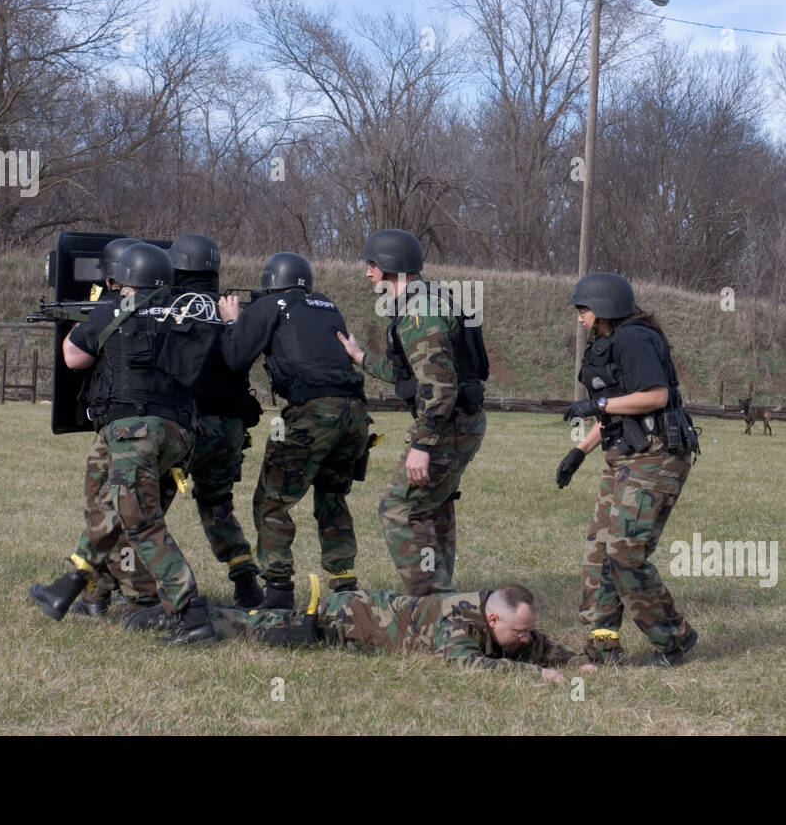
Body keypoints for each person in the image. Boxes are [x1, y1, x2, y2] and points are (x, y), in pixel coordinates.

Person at [29, 242, 218, 644]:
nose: (110, 285)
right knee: (105, 503)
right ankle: (75, 586)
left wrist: (84, 322)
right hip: (176, 434)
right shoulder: (182, 311)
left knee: (142, 522)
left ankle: (191, 613)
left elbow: (72, 358)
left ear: (125, 282)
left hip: (133, 432)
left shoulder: (113, 310)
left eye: (114, 281)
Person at [555, 272, 700, 668]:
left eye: (583, 309)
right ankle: (604, 645)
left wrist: (598, 407)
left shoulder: (635, 340)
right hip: (625, 456)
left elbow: (655, 396)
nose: (580, 317)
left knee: (625, 554)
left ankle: (675, 639)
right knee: (600, 551)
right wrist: (579, 451)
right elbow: (622, 410)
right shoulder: (610, 343)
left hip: (656, 459)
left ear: (603, 309)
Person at [336, 229, 487, 596]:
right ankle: (443, 595)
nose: (368, 273)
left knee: (398, 508)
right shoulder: (428, 300)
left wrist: (422, 444)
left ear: (389, 265)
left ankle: (433, 601)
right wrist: (361, 359)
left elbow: (440, 387)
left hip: (445, 425)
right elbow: (413, 376)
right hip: (458, 423)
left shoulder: (419, 311)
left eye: (372, 265)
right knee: (433, 509)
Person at [218, 253, 371, 609]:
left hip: (312, 411)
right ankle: (345, 587)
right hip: (356, 412)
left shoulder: (272, 303)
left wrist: (231, 322)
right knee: (332, 498)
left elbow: (235, 357)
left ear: (271, 282)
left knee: (272, 500)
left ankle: (278, 591)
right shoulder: (327, 305)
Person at [200, 578, 596, 682]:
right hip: (350, 620)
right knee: (261, 628)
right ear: (493, 620)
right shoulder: (458, 620)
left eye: (527, 631)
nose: (526, 639)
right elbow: (467, 665)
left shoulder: (500, 621)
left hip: (368, 614)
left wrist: (576, 661)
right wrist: (537, 675)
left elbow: (535, 644)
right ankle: (195, 616)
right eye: (520, 631)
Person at [165, 232, 264, 609]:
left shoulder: (169, 307)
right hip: (231, 430)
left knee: (143, 511)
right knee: (218, 505)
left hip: (187, 426)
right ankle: (245, 582)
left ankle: (108, 589)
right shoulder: (232, 310)